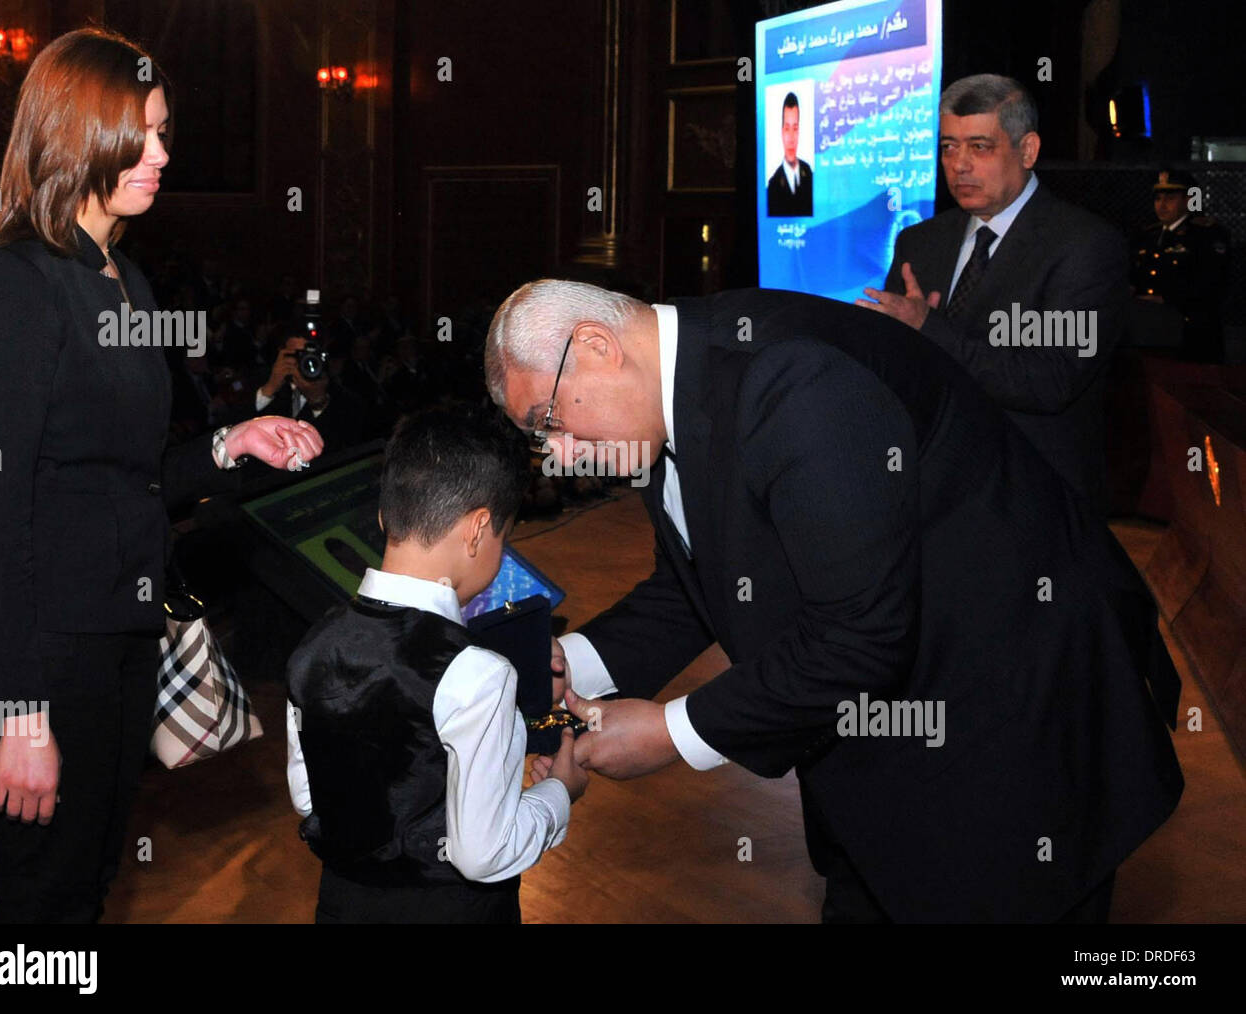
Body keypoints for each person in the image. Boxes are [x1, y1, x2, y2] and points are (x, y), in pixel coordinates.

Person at [486, 278, 1182, 923]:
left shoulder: (791, 379)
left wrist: (675, 732)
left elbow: (860, 636)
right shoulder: (672, 387)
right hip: (891, 737)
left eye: (551, 420)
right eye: (541, 438)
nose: (563, 455)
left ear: (598, 347)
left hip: (1014, 729)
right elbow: (698, 585)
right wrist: (569, 665)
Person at [0, 28, 324, 923]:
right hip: (41, 655)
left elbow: (126, 474)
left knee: (87, 882)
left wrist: (232, 447)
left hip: (119, 634)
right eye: (143, 135)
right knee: (46, 898)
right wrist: (21, 717)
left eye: (164, 131)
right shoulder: (14, 286)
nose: (163, 154)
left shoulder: (125, 278)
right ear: (78, 136)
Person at [285, 406, 585, 923]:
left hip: (341, 906)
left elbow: (311, 801)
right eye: (503, 537)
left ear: (384, 517)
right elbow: (483, 852)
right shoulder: (478, 675)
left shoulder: (313, 647)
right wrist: (561, 791)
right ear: (478, 530)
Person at [860, 74, 1127, 517]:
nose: (959, 165)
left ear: (1028, 150)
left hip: (1037, 503)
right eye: (949, 147)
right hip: (933, 495)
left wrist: (929, 330)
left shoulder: (1085, 246)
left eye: (979, 147)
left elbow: (1050, 380)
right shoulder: (919, 243)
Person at [1131, 167, 1230, 363]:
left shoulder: (1205, 234)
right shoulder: (1148, 235)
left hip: (1191, 330)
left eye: (1170, 199)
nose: (1162, 205)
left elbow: (1212, 282)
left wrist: (1166, 298)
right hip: (1149, 327)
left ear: (1188, 200)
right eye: (1158, 199)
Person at [766, 92, 813, 217]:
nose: (791, 138)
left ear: (799, 131)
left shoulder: (810, 175)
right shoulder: (772, 186)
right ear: (781, 132)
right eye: (787, 129)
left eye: (795, 128)